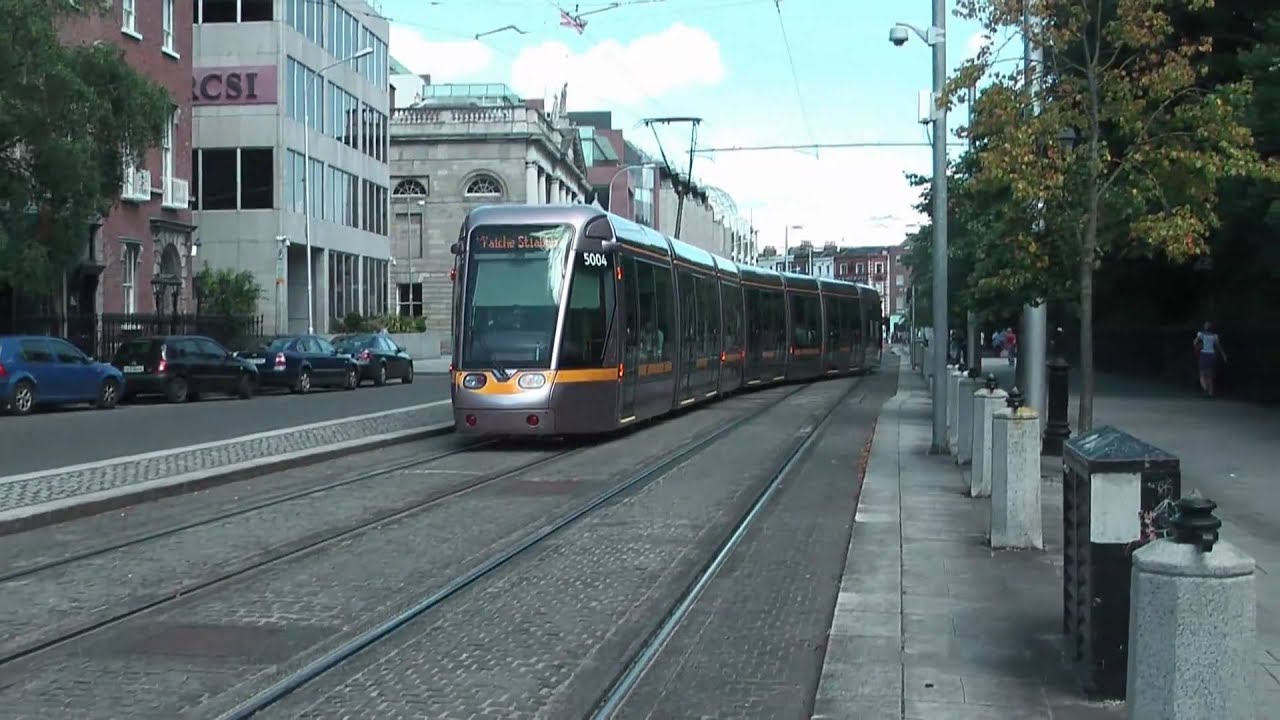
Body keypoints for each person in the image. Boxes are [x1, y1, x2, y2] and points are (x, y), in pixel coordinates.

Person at [1194, 321, 1227, 397]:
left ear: (1205, 327)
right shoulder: (1214, 336)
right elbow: (1218, 347)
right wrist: (1224, 355)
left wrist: (1198, 346)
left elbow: (1195, 342)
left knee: (1202, 375)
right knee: (1209, 375)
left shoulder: (1201, 334)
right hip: (1211, 355)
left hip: (1204, 354)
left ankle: (1205, 388)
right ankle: (1210, 393)